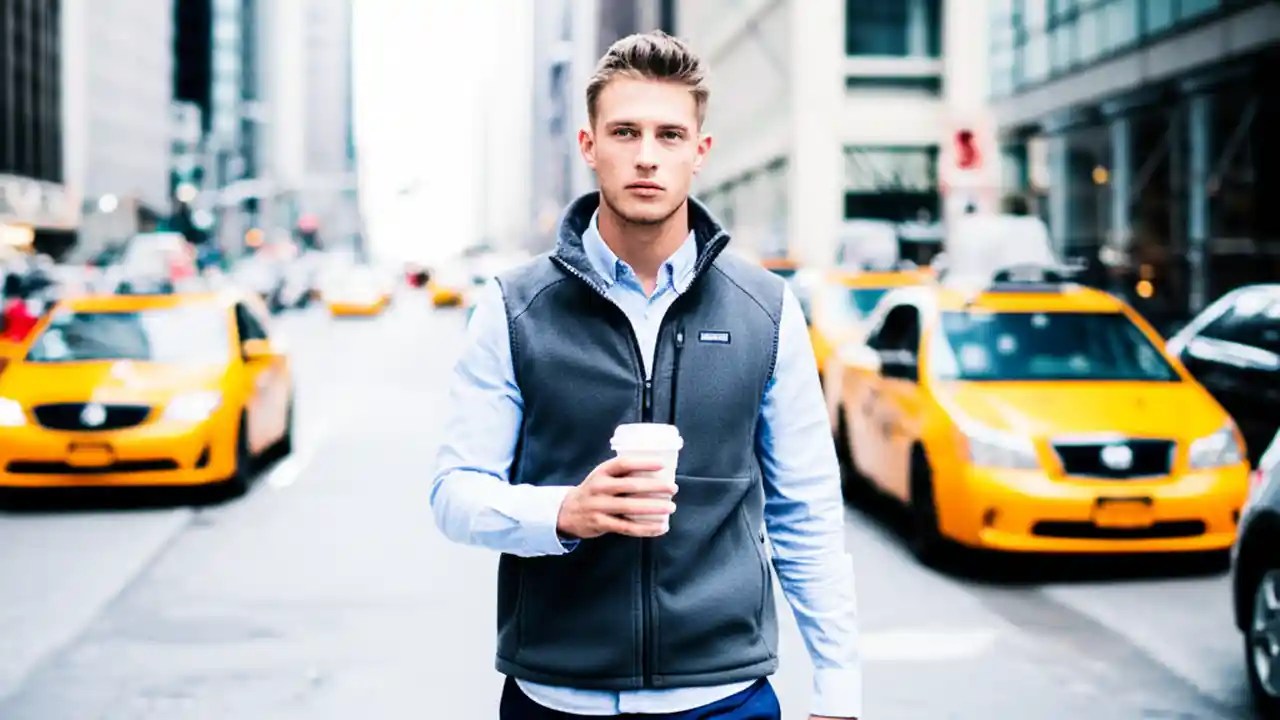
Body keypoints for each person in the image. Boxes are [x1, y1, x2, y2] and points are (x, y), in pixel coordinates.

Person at [432, 31, 860, 720]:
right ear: (589, 145)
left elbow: (805, 510)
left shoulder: (767, 309)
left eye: (669, 135)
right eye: (625, 132)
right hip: (555, 695)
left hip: (725, 696)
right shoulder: (512, 308)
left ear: (700, 152)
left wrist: (838, 687)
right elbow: (455, 493)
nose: (646, 157)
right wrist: (562, 513)